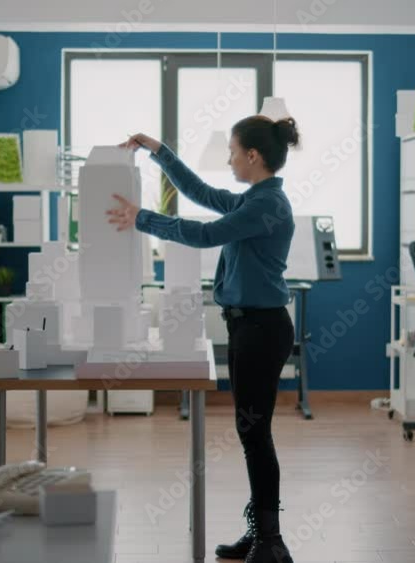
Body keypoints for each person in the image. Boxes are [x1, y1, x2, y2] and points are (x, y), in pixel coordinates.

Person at [108, 116, 300, 563]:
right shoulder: (256, 198)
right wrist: (159, 151)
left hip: (261, 328)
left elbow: (205, 234)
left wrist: (142, 219)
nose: (230, 159)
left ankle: (271, 542)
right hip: (248, 327)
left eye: (233, 151)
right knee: (252, 432)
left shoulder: (267, 205)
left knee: (255, 433)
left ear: (252, 156)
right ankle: (262, 533)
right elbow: (201, 194)